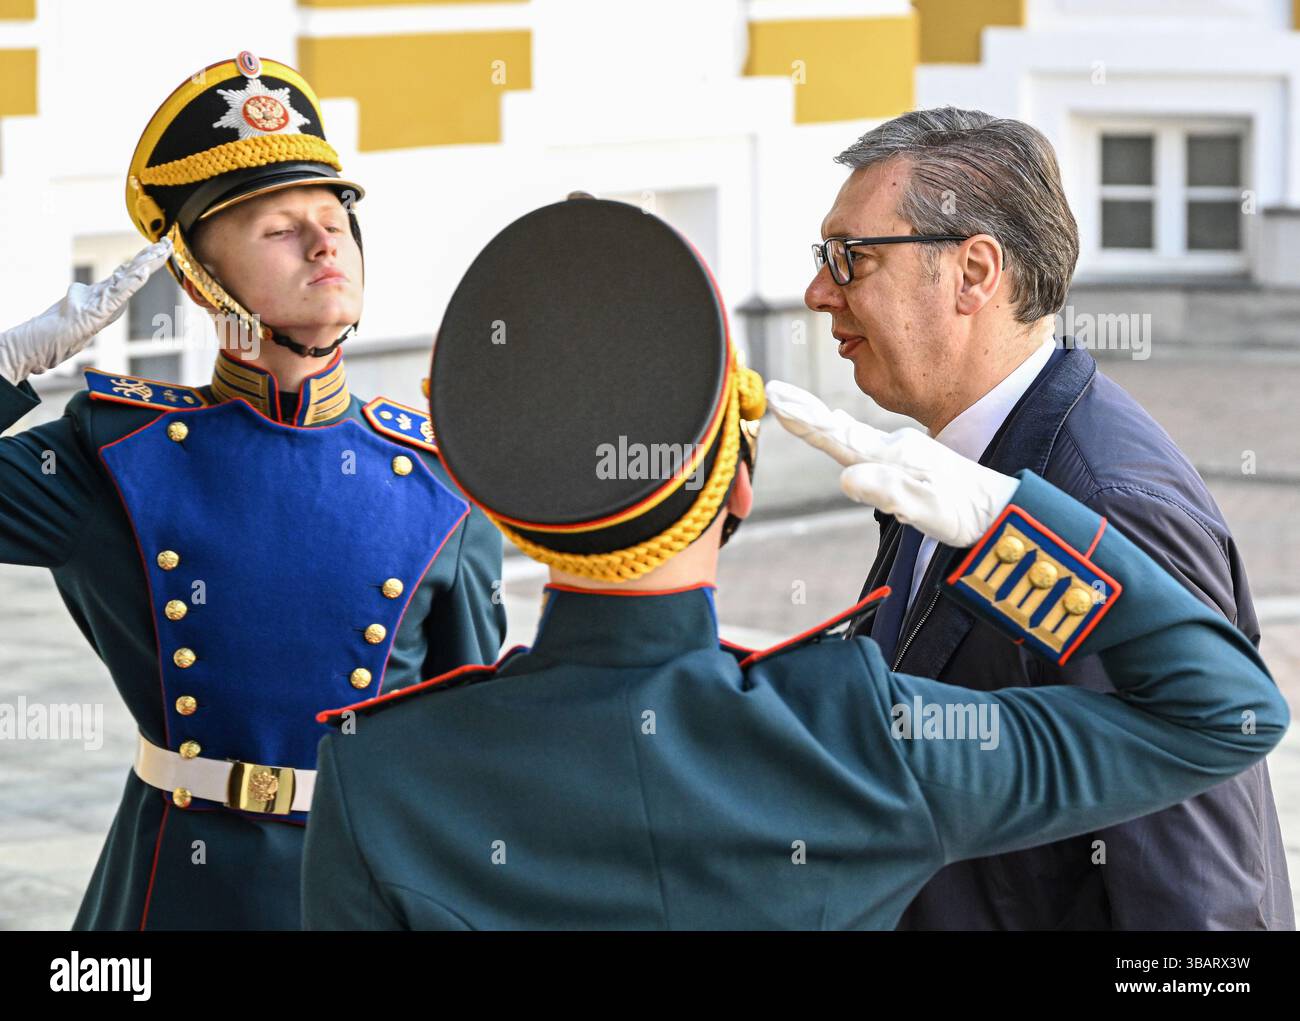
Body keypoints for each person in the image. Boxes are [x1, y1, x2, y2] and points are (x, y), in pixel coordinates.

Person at [299, 197, 1287, 930]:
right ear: (739, 488)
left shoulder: (379, 772)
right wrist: (1005, 522)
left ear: (496, 509)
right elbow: (1225, 712)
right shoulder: (863, 737)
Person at [0, 52, 504, 930]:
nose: (323, 244)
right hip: (169, 892)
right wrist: (8, 364)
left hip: (362, 891)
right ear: (199, 276)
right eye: (279, 229)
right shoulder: (115, 453)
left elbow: (471, 748)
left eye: (335, 222)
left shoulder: (440, 480)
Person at [807, 106, 1292, 930]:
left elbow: (1197, 905)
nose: (820, 292)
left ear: (974, 272)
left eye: (850, 258)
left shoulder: (1109, 504)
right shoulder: (956, 459)